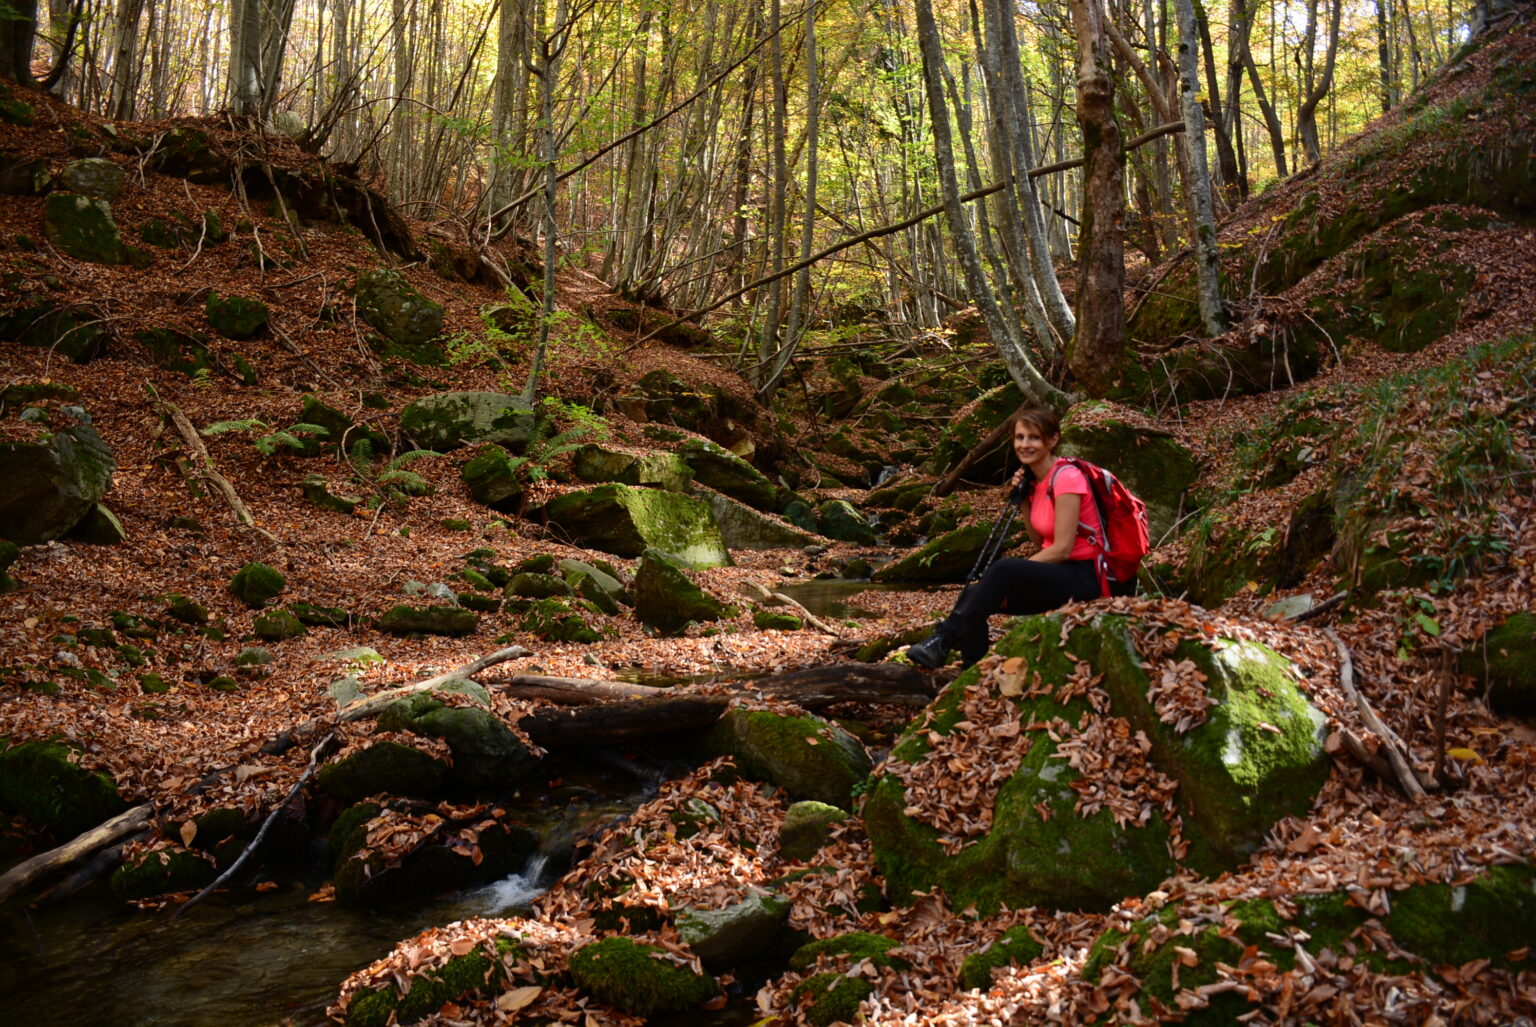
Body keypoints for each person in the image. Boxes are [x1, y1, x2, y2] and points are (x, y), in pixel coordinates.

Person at [906, 406, 1105, 670]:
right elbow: (1040, 543)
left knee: (1002, 570)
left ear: (1052, 440)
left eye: (1033, 437)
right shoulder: (1035, 482)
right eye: (1020, 437)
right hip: (1057, 576)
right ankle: (972, 665)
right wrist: (1022, 500)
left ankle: (944, 638)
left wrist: (1012, 575)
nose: (1025, 444)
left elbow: (1062, 550)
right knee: (975, 594)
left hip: (1083, 578)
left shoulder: (1068, 478)